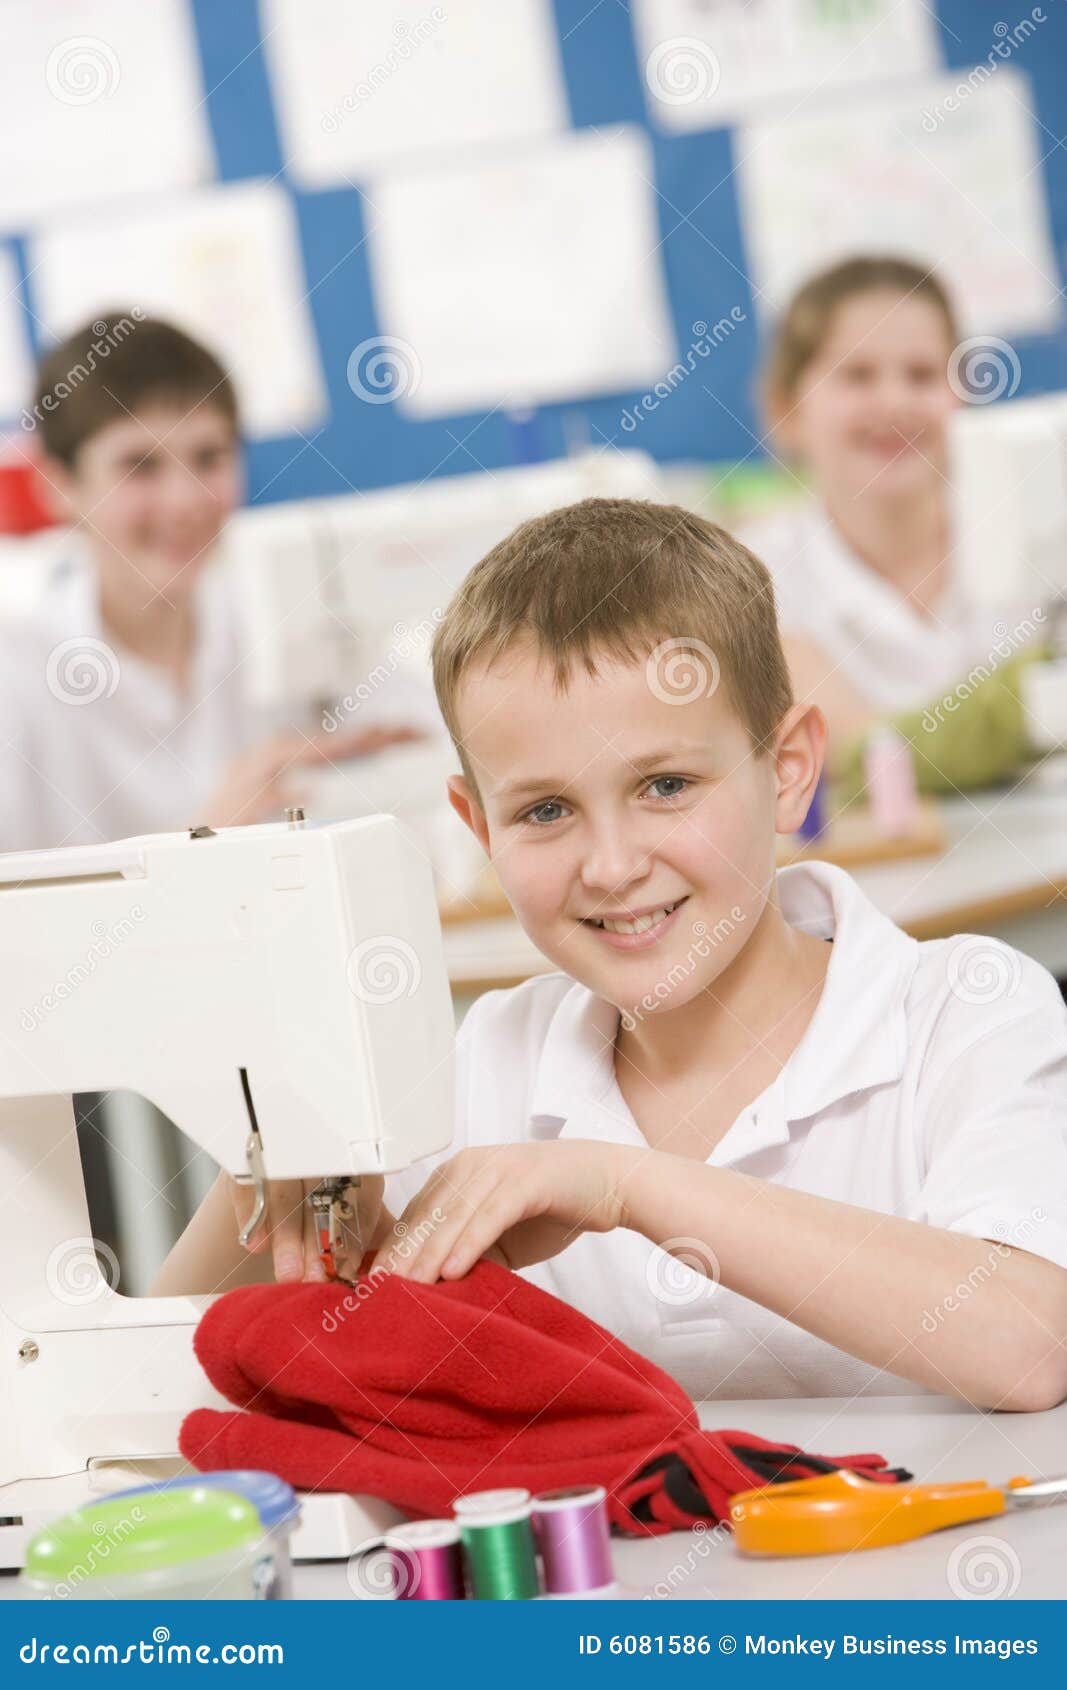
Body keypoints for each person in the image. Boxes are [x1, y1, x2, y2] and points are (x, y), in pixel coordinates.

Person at [153, 499, 1067, 1408]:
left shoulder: (964, 1012)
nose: (613, 865)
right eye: (545, 811)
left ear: (788, 771)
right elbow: (158, 1376)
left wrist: (628, 1187)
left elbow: (1032, 1345)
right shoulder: (483, 1064)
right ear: (478, 827)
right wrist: (278, 1153)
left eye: (665, 786)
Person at [3, 313, 428, 851]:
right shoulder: (17, 677)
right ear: (58, 484)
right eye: (139, 466)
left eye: (209, 458)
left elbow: (429, 738)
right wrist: (203, 842)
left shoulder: (279, 612)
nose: (185, 500)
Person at [746, 256, 1041, 781]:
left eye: (922, 375)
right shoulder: (753, 581)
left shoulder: (1039, 530)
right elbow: (861, 754)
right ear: (787, 410)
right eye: (857, 375)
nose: (894, 401)